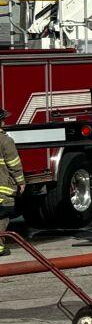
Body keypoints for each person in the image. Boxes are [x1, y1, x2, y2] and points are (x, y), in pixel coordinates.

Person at [0, 107, 24, 257]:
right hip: (2, 187)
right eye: (2, 119)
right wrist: (21, 182)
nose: (4, 121)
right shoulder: (5, 140)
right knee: (2, 216)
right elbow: (14, 164)